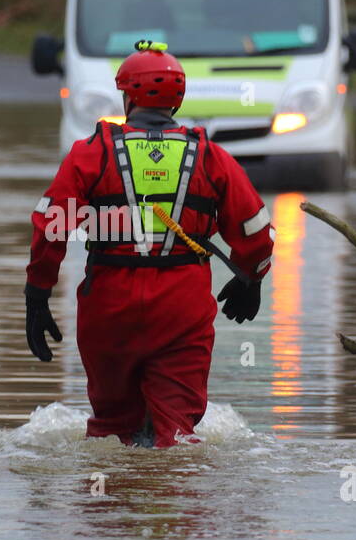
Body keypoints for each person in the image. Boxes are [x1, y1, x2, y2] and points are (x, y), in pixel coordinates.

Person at [24, 41, 274, 447]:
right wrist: (253, 278)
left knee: (110, 430)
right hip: (182, 311)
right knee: (176, 434)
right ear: (179, 98)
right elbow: (255, 233)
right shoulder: (211, 157)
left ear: (126, 95)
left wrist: (37, 293)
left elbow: (50, 227)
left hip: (108, 310)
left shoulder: (91, 153)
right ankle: (175, 502)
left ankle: (110, 502)